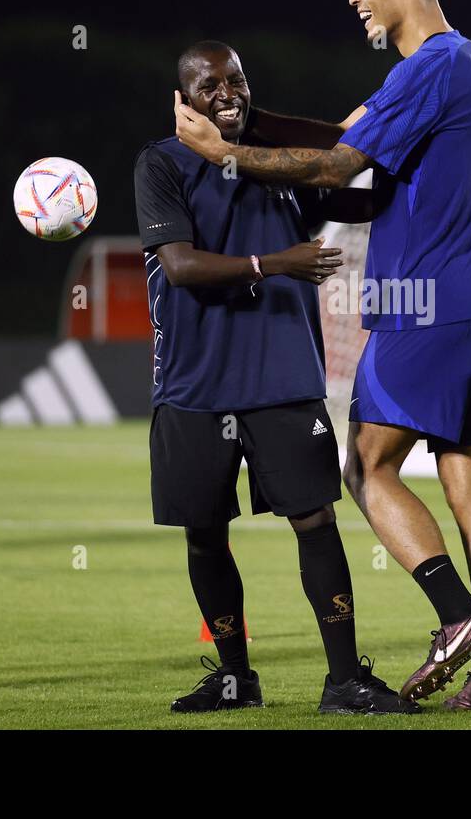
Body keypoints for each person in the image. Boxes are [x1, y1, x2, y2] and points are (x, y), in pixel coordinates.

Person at [173, 0, 471, 711]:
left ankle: (458, 619)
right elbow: (338, 138)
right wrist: (245, 117)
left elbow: (335, 168)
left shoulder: (429, 64)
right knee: (469, 480)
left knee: (365, 467)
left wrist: (220, 153)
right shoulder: (445, 63)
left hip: (426, 302)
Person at [139, 40, 415, 715]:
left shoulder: (276, 166)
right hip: (194, 381)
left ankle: (345, 679)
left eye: (237, 79)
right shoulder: (160, 164)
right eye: (211, 85)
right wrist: (274, 264)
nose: (228, 93)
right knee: (203, 531)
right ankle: (235, 676)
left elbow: (370, 193)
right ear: (183, 101)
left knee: (314, 520)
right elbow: (178, 265)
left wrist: (367, 137)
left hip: (283, 374)